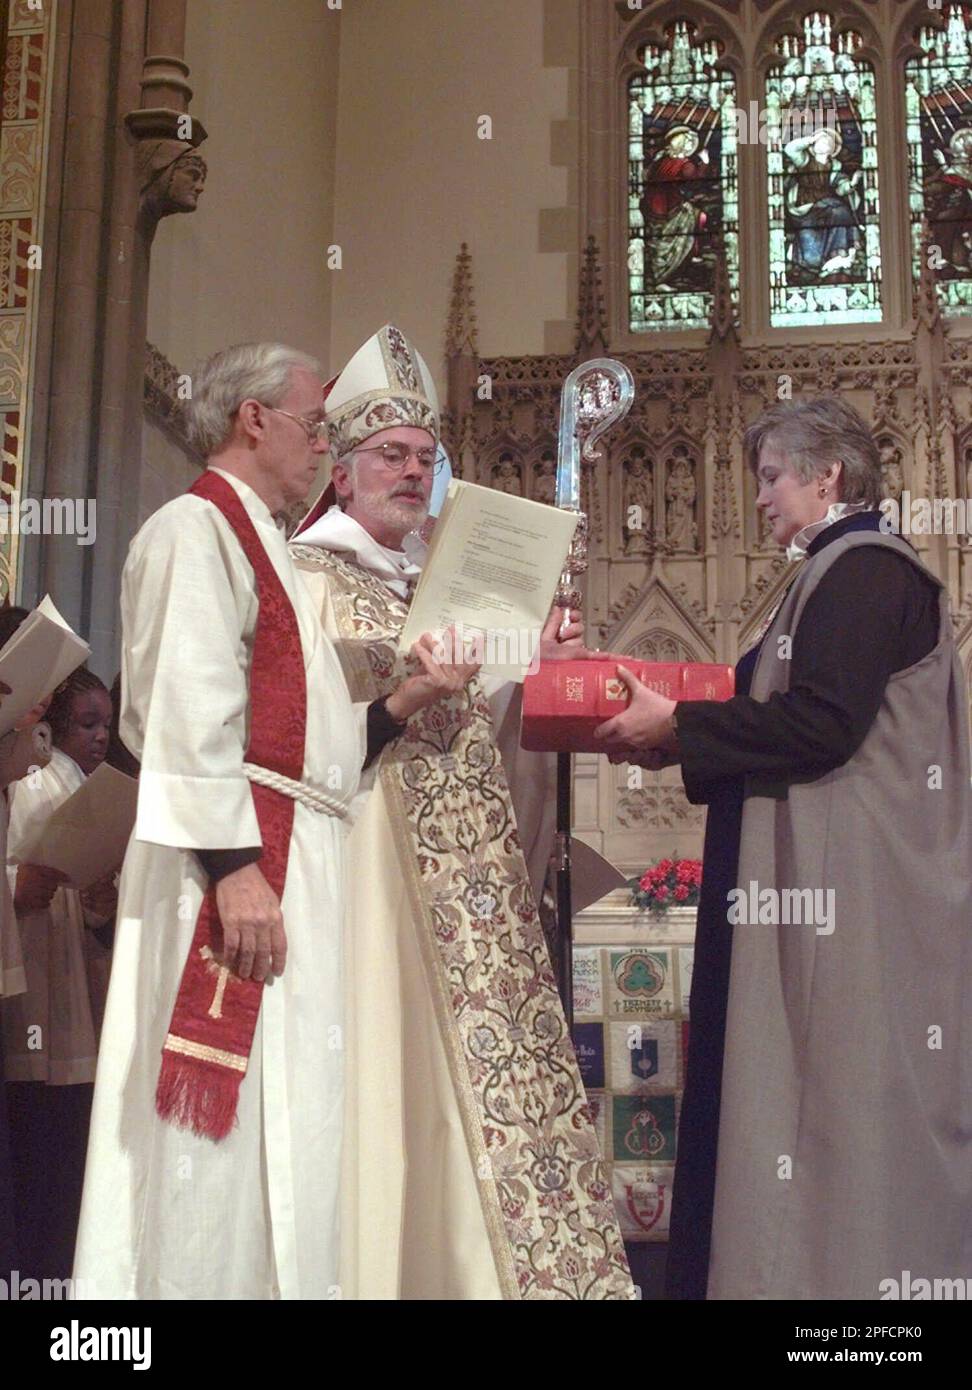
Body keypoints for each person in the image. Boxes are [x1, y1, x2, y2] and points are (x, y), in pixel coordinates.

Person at [594, 396, 972, 1299]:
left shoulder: (865, 572)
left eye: (771, 478)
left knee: (840, 1099)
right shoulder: (837, 572)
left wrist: (683, 726)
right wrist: (675, 725)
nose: (759, 499)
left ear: (827, 476)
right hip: (822, 890)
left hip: (848, 899)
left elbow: (823, 724)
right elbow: (784, 709)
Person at [290, 324, 633, 1301]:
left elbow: (477, 726)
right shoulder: (307, 577)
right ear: (343, 471)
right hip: (367, 881)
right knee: (386, 1087)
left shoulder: (421, 578)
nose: (410, 472)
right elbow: (307, 734)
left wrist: (528, 657)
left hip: (464, 899)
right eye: (390, 455)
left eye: (425, 459)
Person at [74, 342, 362, 1300]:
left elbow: (318, 747)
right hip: (228, 868)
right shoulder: (194, 528)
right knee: (218, 1147)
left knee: (294, 1119)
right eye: (316, 425)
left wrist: (401, 703)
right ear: (254, 419)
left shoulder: (266, 542)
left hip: (287, 857)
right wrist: (236, 867)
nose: (325, 446)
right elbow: (186, 710)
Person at [3, 667, 114, 1280]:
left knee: (65, 1145)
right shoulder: (31, 786)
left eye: (106, 724)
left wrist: (97, 898)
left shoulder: (83, 788)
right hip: (32, 971)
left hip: (68, 966)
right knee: (36, 1141)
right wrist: (21, 886)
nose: (99, 737)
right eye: (86, 724)